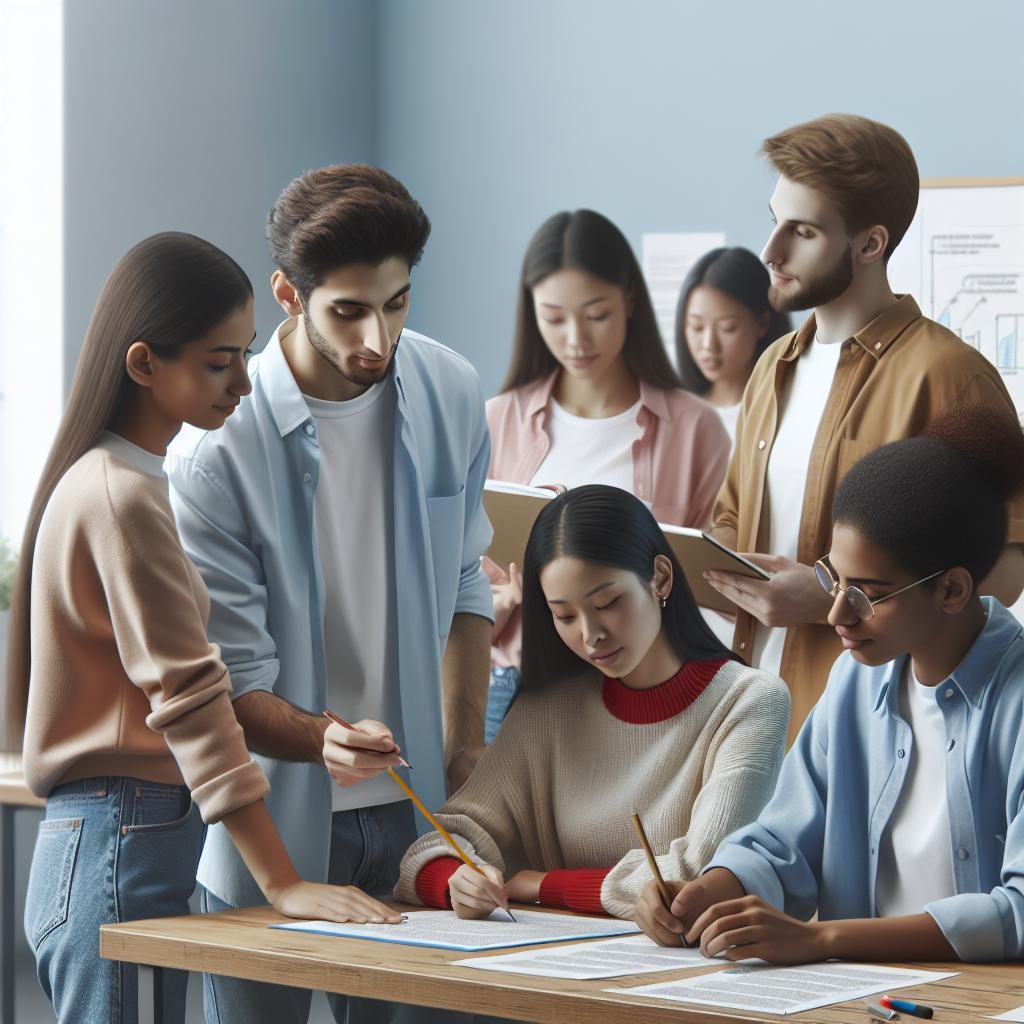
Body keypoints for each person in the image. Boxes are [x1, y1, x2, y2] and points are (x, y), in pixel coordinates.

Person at [4, 233, 397, 1024]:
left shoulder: (110, 480)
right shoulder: (122, 495)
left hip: (114, 836)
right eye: (220, 363)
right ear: (144, 363)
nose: (245, 385)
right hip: (122, 834)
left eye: (247, 355)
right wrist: (284, 881)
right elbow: (189, 699)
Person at [165, 166, 493, 1024]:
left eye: (397, 303)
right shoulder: (215, 450)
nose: (377, 336)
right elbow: (234, 683)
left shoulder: (452, 388)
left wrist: (466, 753)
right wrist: (325, 740)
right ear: (287, 294)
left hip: (422, 815)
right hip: (277, 823)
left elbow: (466, 581)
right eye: (349, 309)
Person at [635, 406, 1024, 964]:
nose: (838, 612)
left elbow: (1018, 911)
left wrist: (824, 938)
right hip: (857, 1000)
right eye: (832, 579)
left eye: (867, 593)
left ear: (952, 591)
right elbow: (784, 840)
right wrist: (707, 892)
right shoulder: (854, 686)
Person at [703, 114, 1024, 740]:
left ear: (871, 243)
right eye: (775, 221)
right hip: (746, 714)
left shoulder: (952, 376)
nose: (771, 252)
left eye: (802, 232)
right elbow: (732, 517)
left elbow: (1008, 570)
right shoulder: (772, 367)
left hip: (881, 732)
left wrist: (829, 595)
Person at [395, 485, 789, 922]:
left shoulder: (748, 701)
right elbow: (445, 839)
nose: (590, 634)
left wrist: (543, 885)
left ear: (660, 577)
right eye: (564, 616)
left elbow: (702, 875)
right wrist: (455, 879)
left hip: (686, 974)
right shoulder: (549, 708)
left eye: (608, 603)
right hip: (546, 966)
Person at [484, 210, 731, 740]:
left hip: (643, 692)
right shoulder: (498, 419)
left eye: (596, 314)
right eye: (553, 317)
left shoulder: (693, 428)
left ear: (630, 302)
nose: (575, 338)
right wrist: (503, 598)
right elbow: (465, 576)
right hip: (516, 688)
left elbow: (715, 583)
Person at [675, 246, 791, 446]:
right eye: (697, 327)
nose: (708, 344)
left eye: (727, 328)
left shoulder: (783, 409)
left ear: (762, 323)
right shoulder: (674, 412)